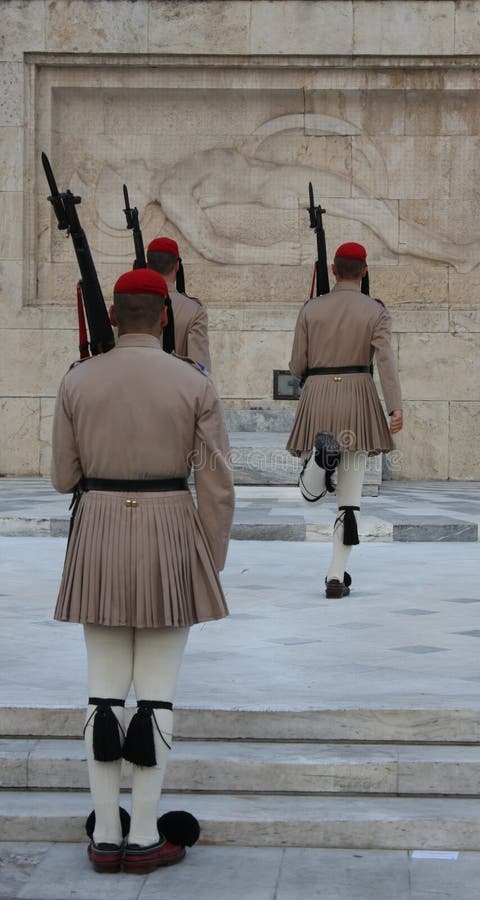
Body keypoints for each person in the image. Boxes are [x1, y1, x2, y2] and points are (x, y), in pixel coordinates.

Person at [51, 268, 234, 874]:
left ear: (114, 312)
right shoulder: (193, 383)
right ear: (163, 317)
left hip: (99, 531)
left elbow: (61, 478)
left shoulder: (78, 379)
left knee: (103, 694)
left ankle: (106, 834)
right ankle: (149, 833)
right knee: (155, 699)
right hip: (167, 532)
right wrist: (205, 560)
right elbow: (217, 485)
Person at [287, 242, 403, 598]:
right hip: (358, 395)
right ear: (364, 271)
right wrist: (395, 407)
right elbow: (384, 361)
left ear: (333, 270)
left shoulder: (311, 308)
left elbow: (296, 367)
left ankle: (320, 465)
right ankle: (335, 577)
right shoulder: (376, 311)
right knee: (350, 499)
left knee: (311, 495)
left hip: (319, 392)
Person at [146, 236, 212, 371]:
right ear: (177, 266)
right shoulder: (194, 310)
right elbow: (199, 368)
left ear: (147, 266)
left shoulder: (129, 303)